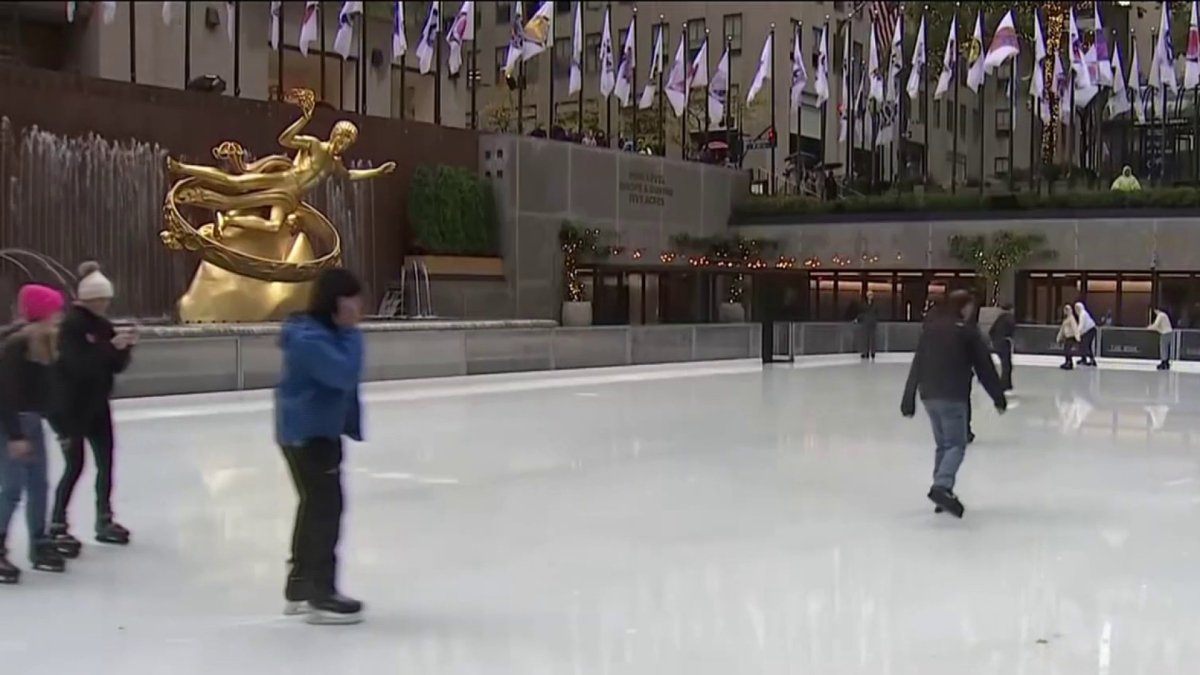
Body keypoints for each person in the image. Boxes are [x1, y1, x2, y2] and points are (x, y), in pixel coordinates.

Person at [277, 268, 366, 624]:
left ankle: (300, 585)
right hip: (310, 436)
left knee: (314, 506)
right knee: (326, 509)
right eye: (353, 299)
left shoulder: (320, 334)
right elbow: (343, 374)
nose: (359, 307)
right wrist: (354, 336)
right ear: (335, 302)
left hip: (313, 433)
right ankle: (320, 592)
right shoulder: (311, 341)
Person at [48, 262, 136, 552]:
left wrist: (124, 348)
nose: (106, 304)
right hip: (72, 408)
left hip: (98, 405)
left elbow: (113, 366)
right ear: (90, 298)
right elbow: (79, 365)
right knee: (75, 465)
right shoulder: (72, 324)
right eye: (102, 299)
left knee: (105, 461)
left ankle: (104, 518)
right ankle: (58, 522)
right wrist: (111, 348)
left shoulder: (103, 325)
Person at [901, 290, 1007, 518]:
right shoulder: (966, 332)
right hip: (952, 395)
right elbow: (984, 367)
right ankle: (941, 486)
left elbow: (918, 362)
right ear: (965, 307)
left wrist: (908, 398)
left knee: (943, 445)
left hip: (929, 395)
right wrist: (998, 397)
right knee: (956, 445)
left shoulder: (931, 329)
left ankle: (942, 494)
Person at [0, 285, 69, 583]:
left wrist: (60, 429)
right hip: (11, 423)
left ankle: (39, 542)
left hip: (32, 422)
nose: (59, 317)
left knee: (39, 485)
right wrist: (15, 435)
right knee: (13, 488)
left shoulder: (46, 344)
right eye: (55, 311)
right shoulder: (17, 345)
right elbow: (6, 393)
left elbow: (47, 395)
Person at [989, 302, 1016, 391]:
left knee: (1005, 364)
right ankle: (1004, 384)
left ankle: (1006, 384)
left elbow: (991, 331)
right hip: (1004, 342)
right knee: (1006, 365)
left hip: (998, 342)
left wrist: (994, 341)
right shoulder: (1009, 317)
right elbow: (1012, 329)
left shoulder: (999, 318)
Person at [1148, 305, 1174, 370]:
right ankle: (1166, 362)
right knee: (1167, 348)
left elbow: (1156, 325)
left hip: (1165, 333)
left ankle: (1164, 362)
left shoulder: (1160, 315)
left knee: (1163, 348)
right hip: (1169, 332)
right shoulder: (1164, 315)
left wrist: (1149, 327)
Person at [1056, 304, 1080, 370]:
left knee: (1068, 350)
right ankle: (1067, 362)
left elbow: (1075, 328)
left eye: (1067, 310)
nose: (1065, 311)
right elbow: (1062, 330)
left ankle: (1069, 362)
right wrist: (1059, 337)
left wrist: (1077, 337)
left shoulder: (1071, 319)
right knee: (1066, 350)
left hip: (1071, 336)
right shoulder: (1065, 320)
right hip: (1067, 337)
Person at [856, 291, 879, 360]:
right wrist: (858, 319)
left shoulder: (875, 305)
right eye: (869, 295)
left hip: (872, 323)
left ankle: (872, 353)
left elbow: (877, 313)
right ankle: (865, 353)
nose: (870, 296)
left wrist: (875, 320)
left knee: (872, 339)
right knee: (865, 339)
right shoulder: (863, 304)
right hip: (865, 323)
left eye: (871, 295)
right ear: (867, 296)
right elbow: (861, 313)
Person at [1074, 301, 1098, 367]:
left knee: (1085, 345)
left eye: (1076, 308)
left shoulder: (1083, 314)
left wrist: (1077, 333)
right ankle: (1084, 359)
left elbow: (1081, 325)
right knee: (1084, 345)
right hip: (1089, 330)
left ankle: (1091, 360)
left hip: (1090, 330)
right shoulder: (1082, 314)